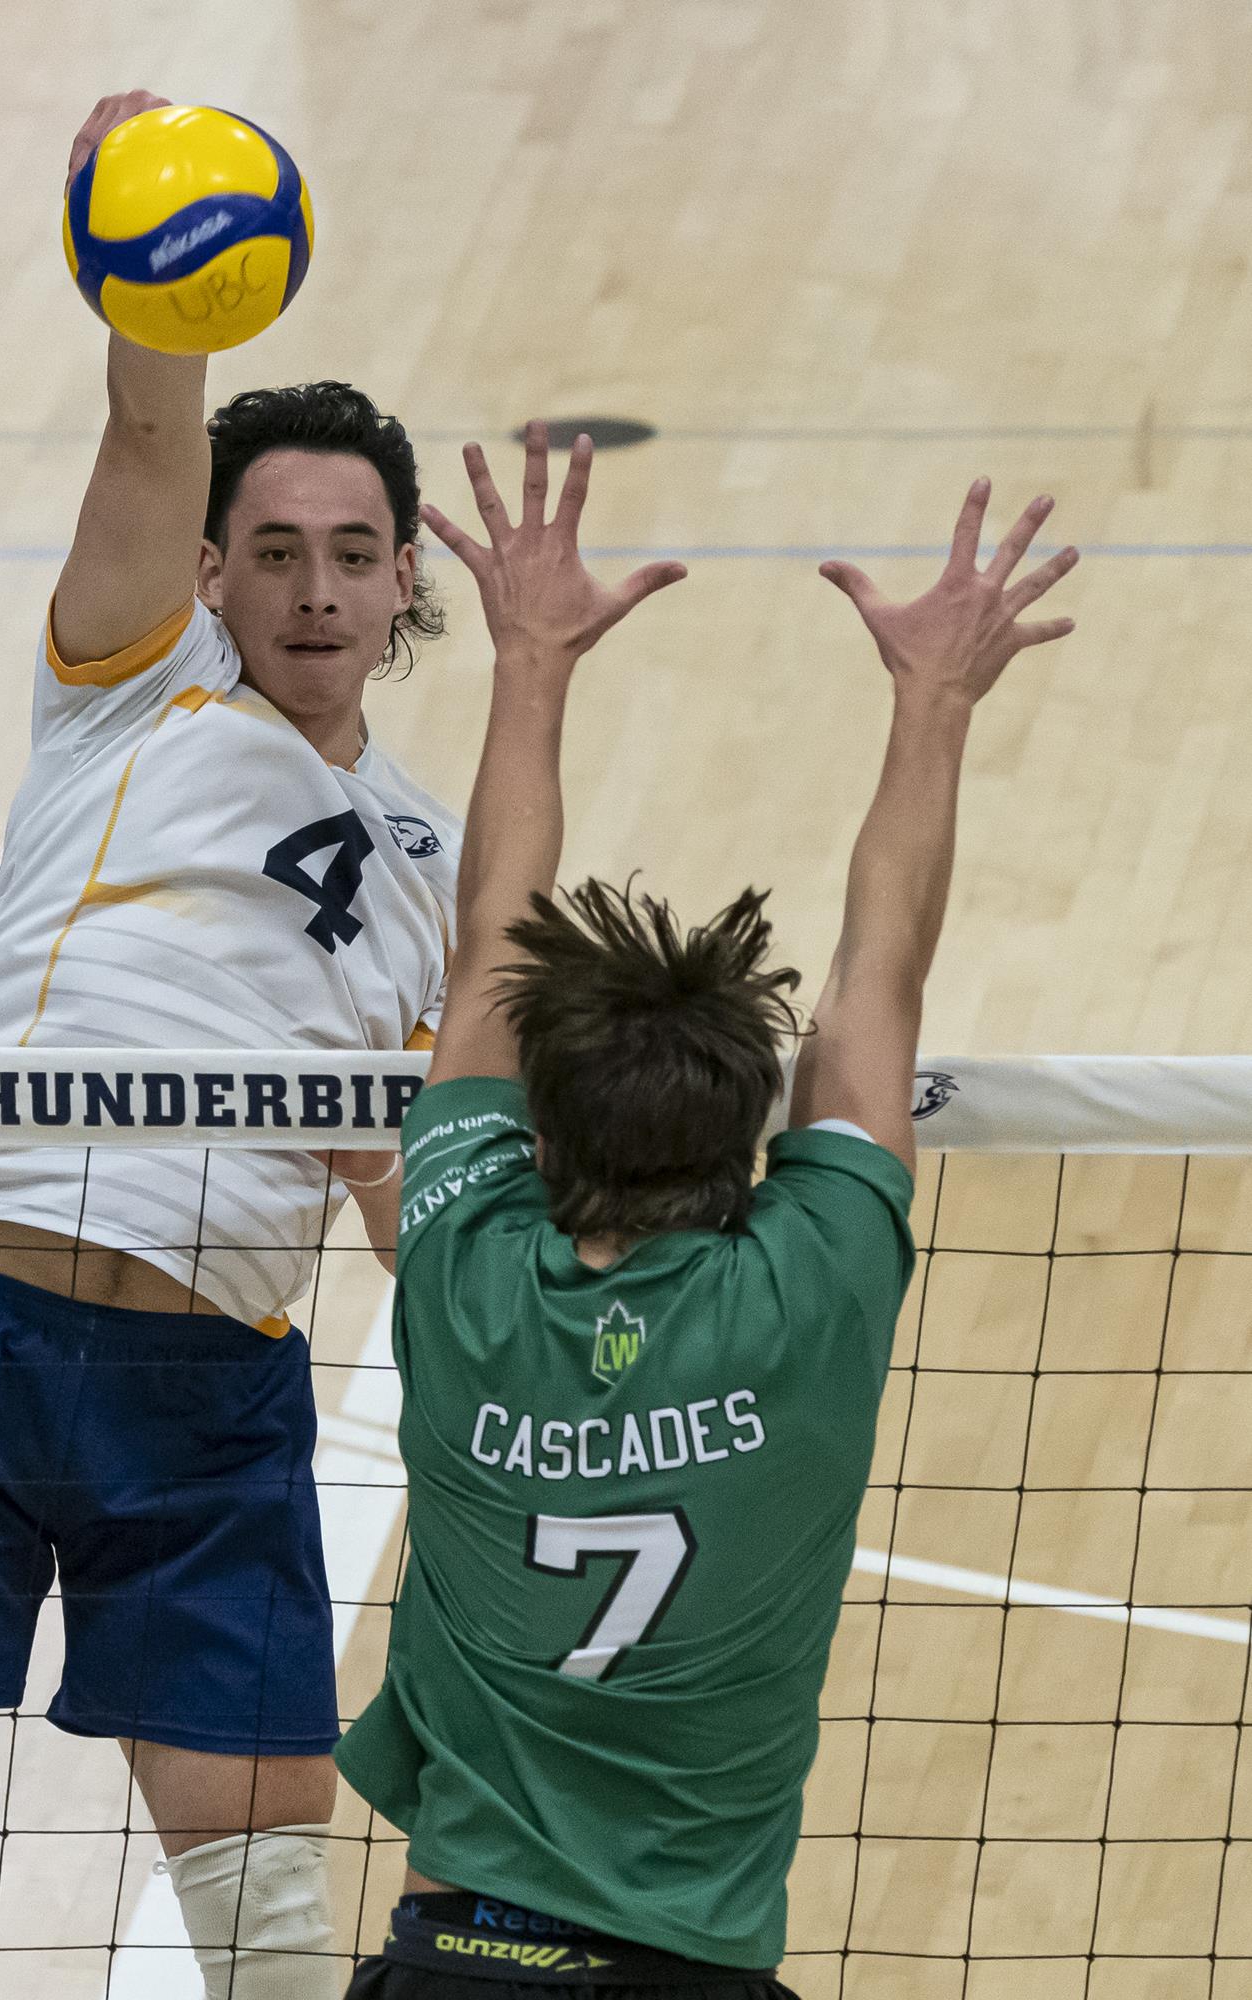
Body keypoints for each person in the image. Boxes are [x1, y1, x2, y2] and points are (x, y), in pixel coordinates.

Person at [0, 88, 460, 2000]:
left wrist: (521, 1359)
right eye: (276, 545)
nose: (314, 583)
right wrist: (142, 237)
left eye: (355, 551)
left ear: (403, 587)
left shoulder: (431, 863)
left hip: (207, 1412)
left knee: (275, 1940)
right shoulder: (131, 684)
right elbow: (153, 419)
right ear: (211, 574)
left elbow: (398, 1178)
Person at [335, 439, 1078, 1997]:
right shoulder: (806, 1291)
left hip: (457, 1960)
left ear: (532, 1130)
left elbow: (488, 943)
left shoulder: (460, 1268)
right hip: (689, 1973)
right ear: (758, 1141)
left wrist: (528, 659)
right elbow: (879, 978)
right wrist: (933, 702)